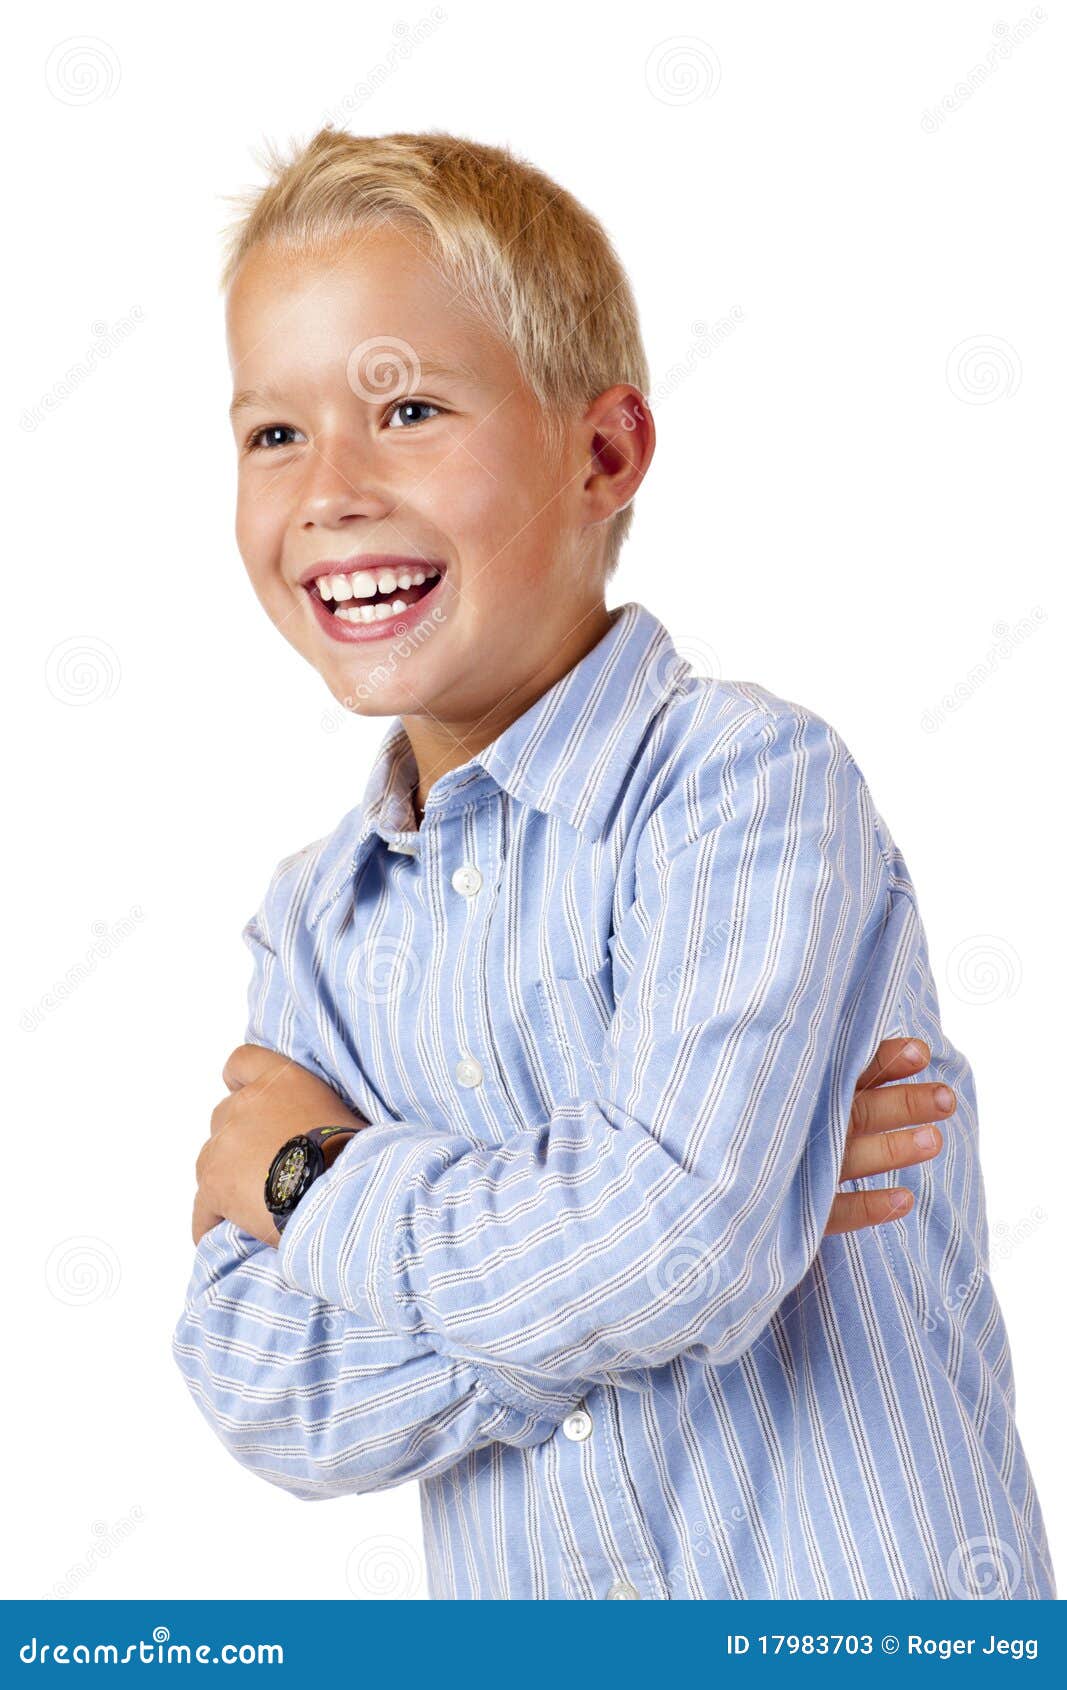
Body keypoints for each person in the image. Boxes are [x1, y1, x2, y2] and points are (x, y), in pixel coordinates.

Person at [172, 128, 1055, 1601]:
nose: (328, 488)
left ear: (602, 452)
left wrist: (315, 1176)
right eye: (274, 433)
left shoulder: (746, 787)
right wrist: (661, 1237)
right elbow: (264, 1380)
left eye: (405, 407)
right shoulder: (316, 922)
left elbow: (680, 1245)